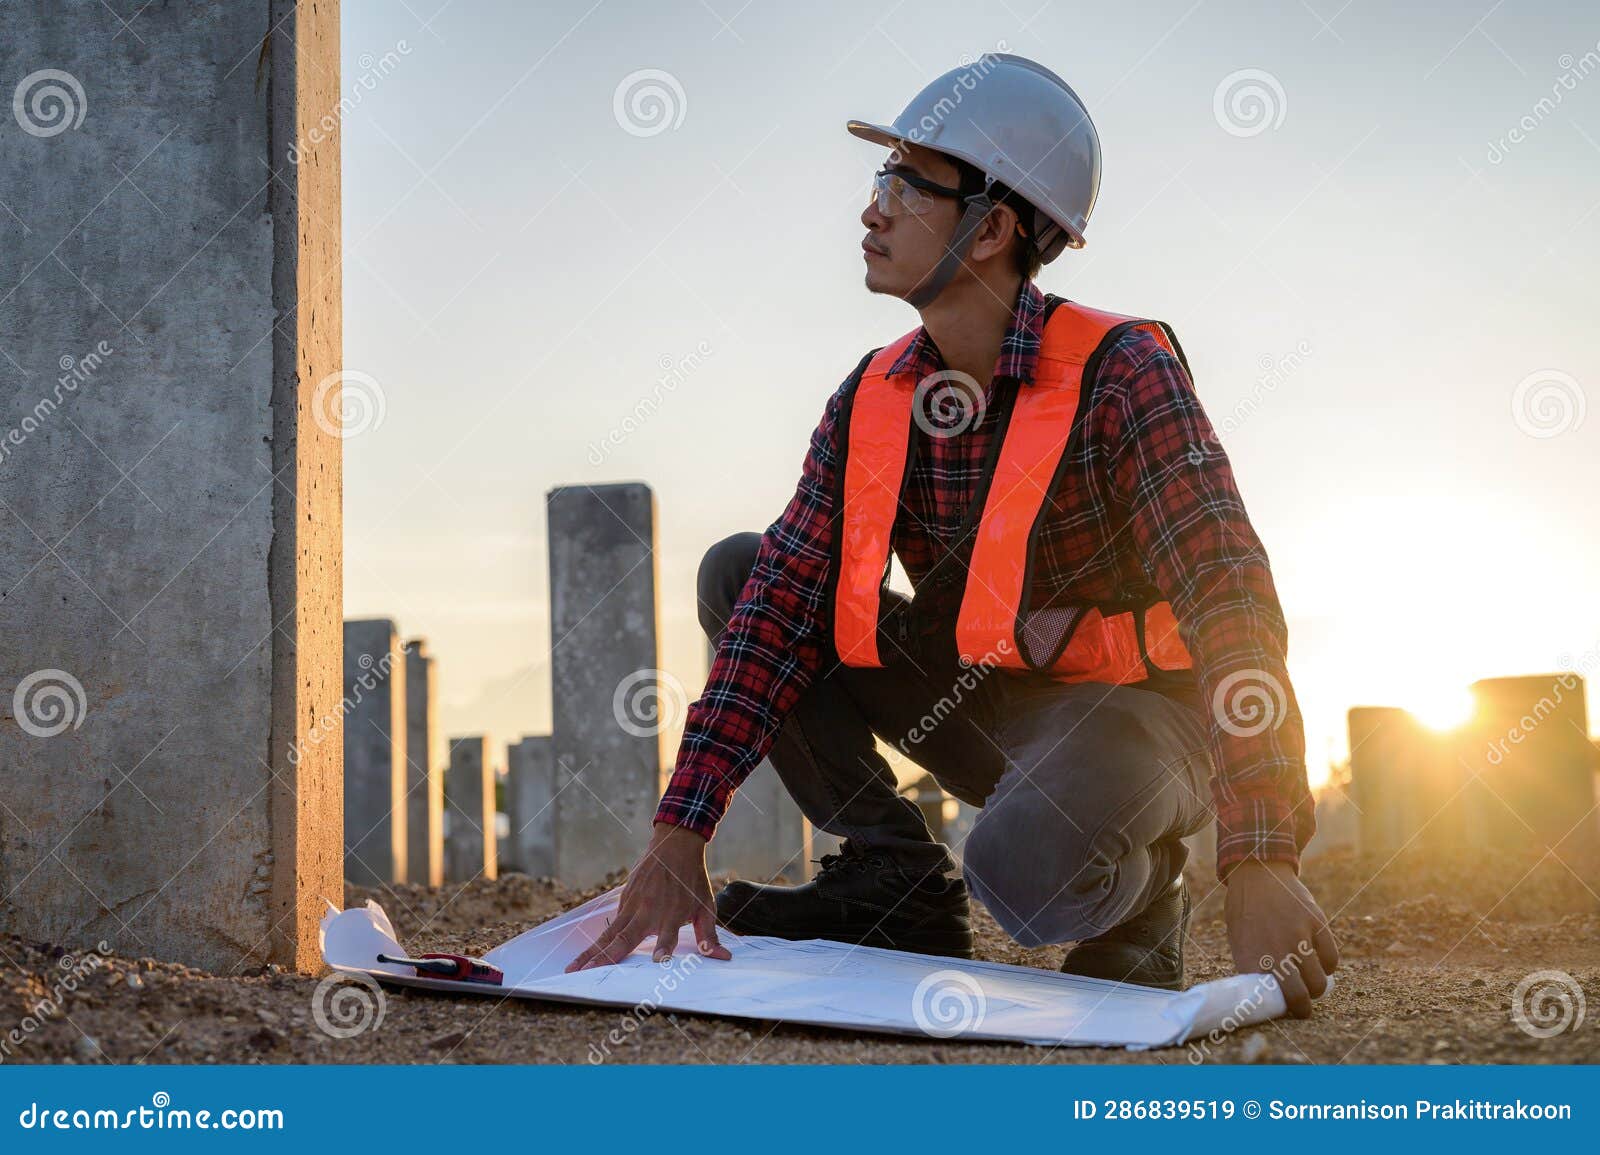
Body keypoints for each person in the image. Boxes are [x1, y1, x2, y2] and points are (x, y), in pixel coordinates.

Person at [568, 54, 1337, 1015]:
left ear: (994, 227)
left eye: (907, 185)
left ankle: (1150, 895)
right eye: (879, 181)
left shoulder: (1123, 373)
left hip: (1138, 727)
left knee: (1022, 872)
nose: (872, 210)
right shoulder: (871, 395)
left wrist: (1261, 855)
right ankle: (893, 881)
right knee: (743, 570)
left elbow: (1231, 598)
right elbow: (778, 607)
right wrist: (680, 831)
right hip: (983, 705)